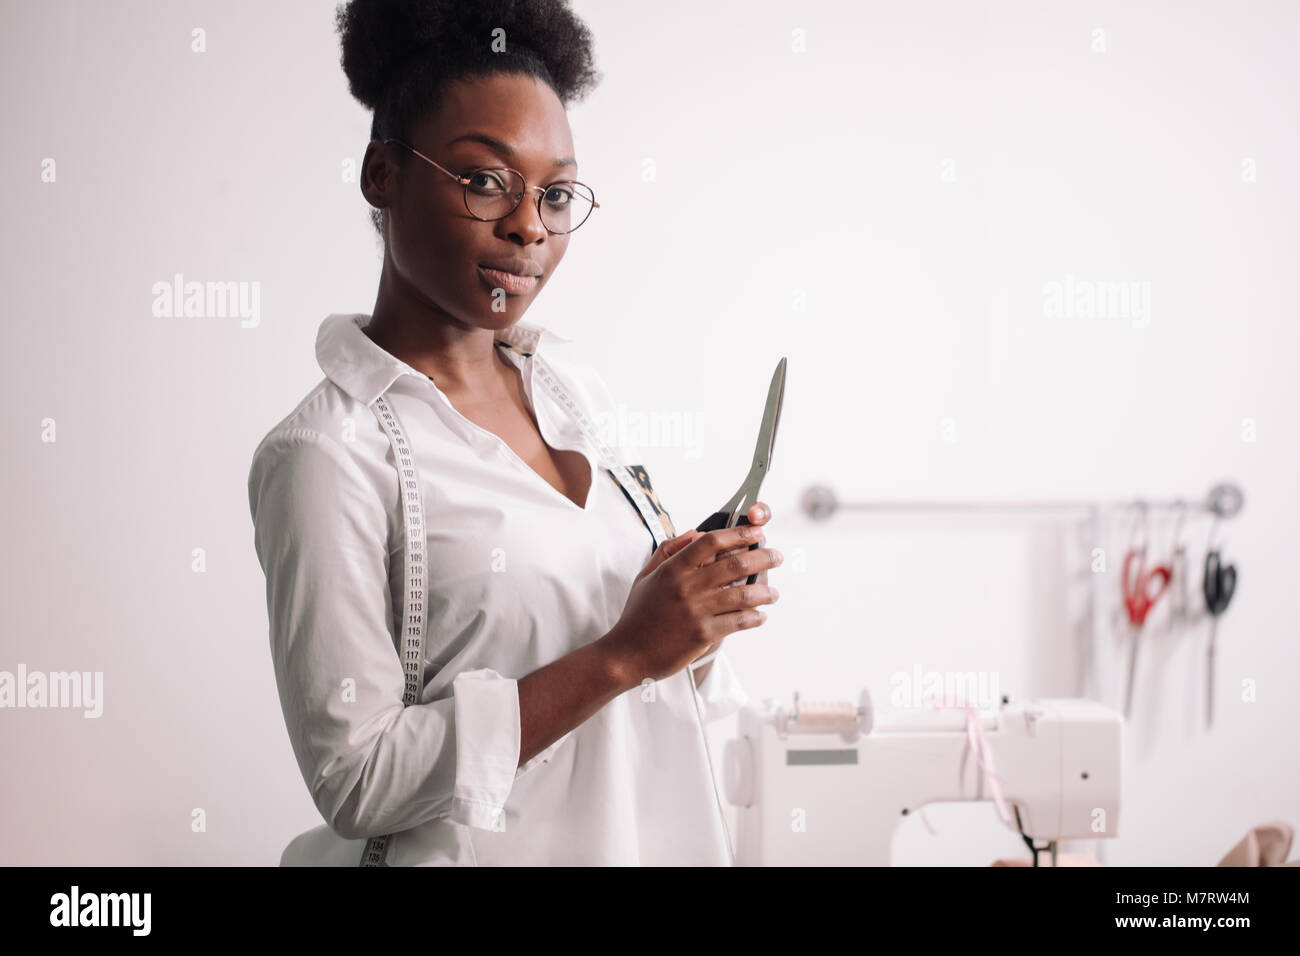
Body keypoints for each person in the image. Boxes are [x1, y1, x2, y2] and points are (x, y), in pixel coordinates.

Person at [246, 0, 782, 865]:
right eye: (485, 180)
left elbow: (626, 670)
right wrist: (623, 654)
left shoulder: (572, 389)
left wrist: (693, 616)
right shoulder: (328, 457)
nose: (530, 225)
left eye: (556, 193)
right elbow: (355, 779)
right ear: (382, 175)